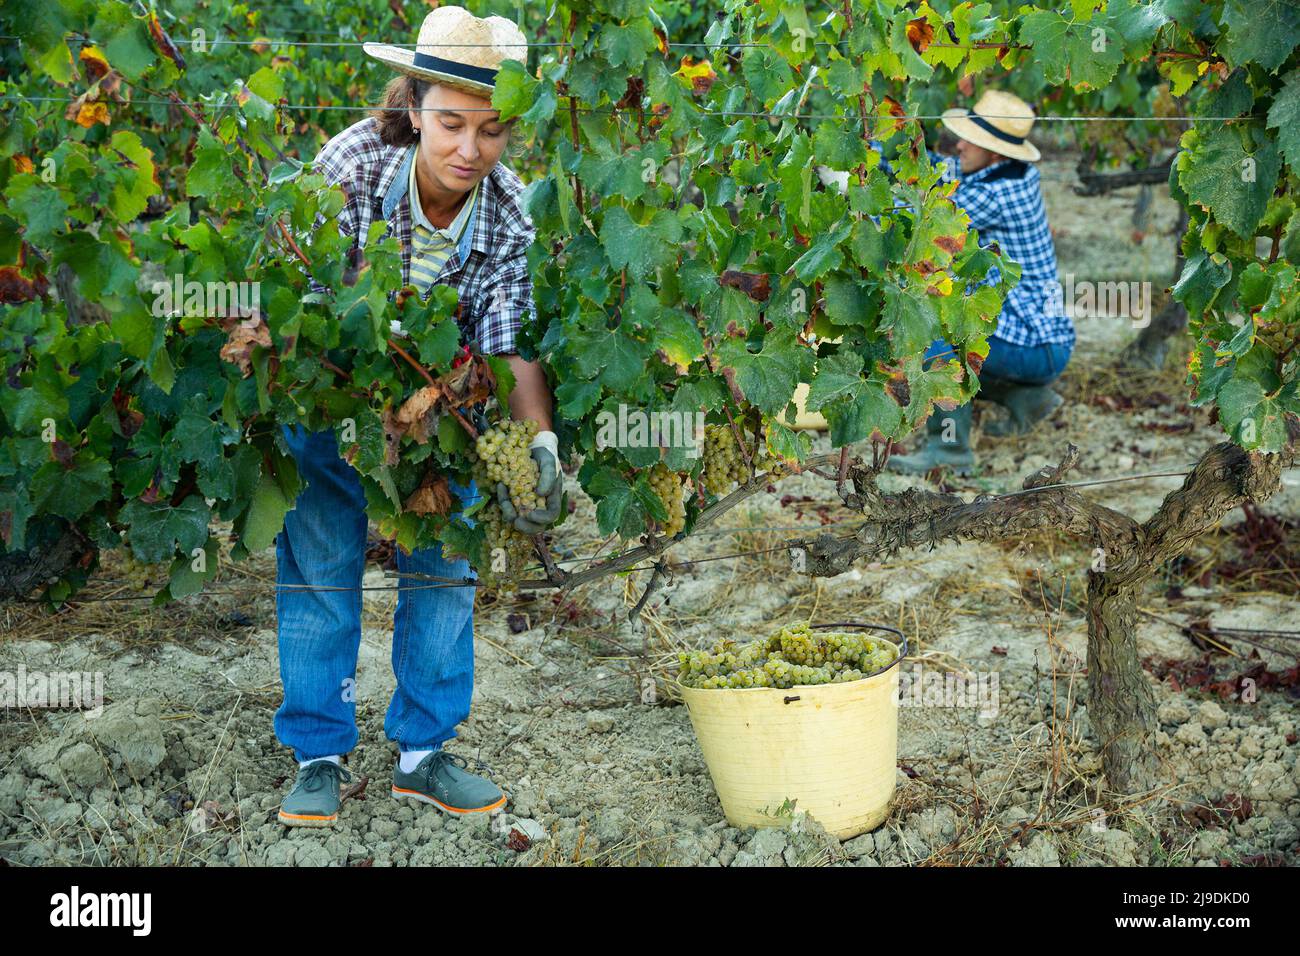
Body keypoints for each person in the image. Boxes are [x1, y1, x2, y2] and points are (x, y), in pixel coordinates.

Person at [275, 6, 559, 827]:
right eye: (450, 123)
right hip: (329, 405)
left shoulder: (506, 212)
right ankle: (318, 753)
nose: (470, 149)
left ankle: (423, 754)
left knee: (444, 574)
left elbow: (509, 346)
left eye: (494, 130)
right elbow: (304, 307)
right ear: (412, 108)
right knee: (323, 569)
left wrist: (538, 444)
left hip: (441, 425)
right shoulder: (352, 166)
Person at [887, 89, 1073, 476]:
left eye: (970, 140)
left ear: (996, 152)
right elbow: (939, 171)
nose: (959, 144)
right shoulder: (996, 172)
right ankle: (1028, 399)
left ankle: (950, 451)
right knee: (957, 334)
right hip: (1038, 342)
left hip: (1036, 345)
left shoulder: (1001, 194)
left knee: (936, 329)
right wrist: (879, 159)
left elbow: (925, 217)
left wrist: (852, 187)